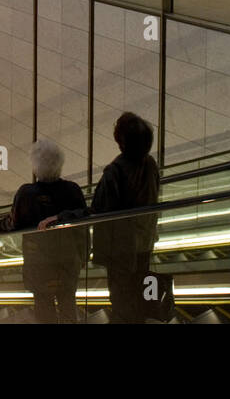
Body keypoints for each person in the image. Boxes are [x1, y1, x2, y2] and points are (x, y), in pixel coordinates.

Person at [41, 112, 160, 323]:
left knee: (121, 300)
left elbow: (96, 211)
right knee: (138, 297)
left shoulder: (115, 171)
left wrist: (61, 217)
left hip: (121, 248)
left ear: (121, 140)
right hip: (144, 243)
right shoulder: (150, 164)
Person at [0, 141, 89, 323]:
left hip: (39, 263)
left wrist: (0, 227)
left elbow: (15, 221)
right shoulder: (72, 190)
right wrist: (84, 255)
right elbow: (84, 219)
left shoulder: (27, 194)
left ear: (35, 167)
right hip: (68, 260)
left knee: (43, 308)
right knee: (68, 304)